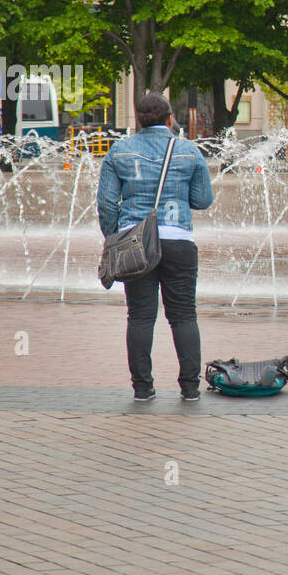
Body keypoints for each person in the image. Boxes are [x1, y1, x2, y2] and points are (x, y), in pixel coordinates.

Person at [97, 93, 215, 401]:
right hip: (178, 242)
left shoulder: (119, 151)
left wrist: (115, 238)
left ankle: (142, 388)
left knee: (139, 316)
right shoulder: (189, 151)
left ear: (138, 120)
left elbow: (107, 204)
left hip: (135, 243)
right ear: (169, 119)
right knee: (184, 316)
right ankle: (190, 388)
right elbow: (203, 201)